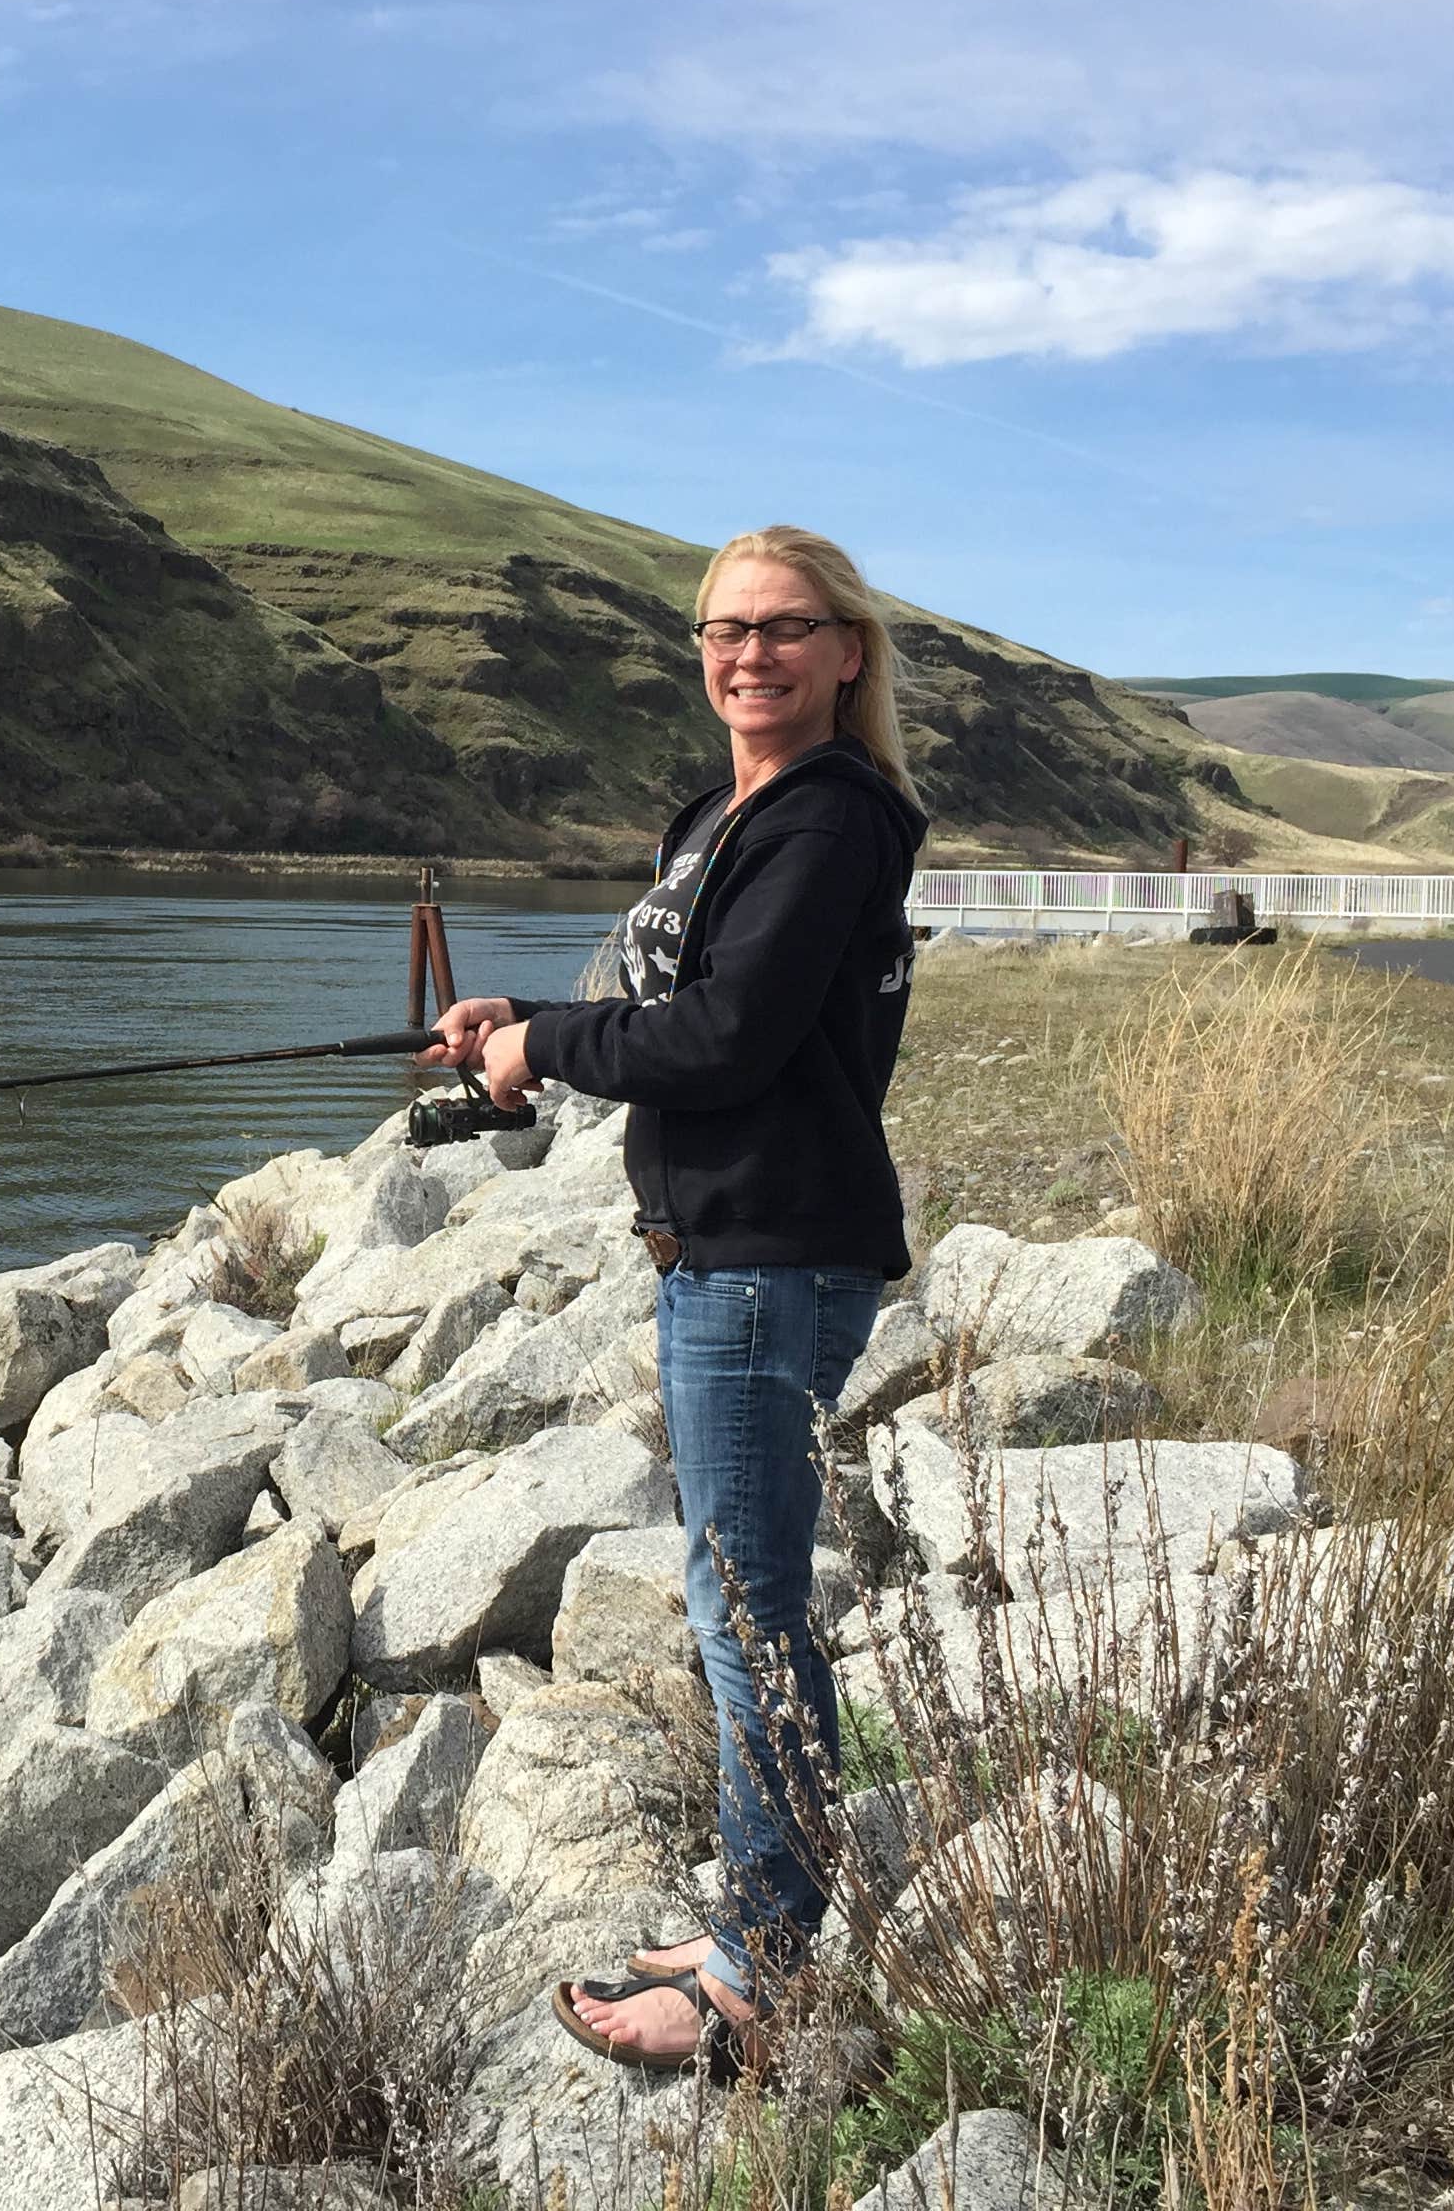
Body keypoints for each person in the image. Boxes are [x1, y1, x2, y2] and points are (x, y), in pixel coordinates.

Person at [422, 523, 927, 2076]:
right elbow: (667, 1005)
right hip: (718, 1244)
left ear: (849, 650)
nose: (747, 653)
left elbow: (726, 1046)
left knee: (750, 1610)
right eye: (723, 628)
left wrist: (546, 1058)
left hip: (770, 1252)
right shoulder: (723, 811)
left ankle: (760, 1969)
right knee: (738, 1598)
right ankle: (755, 1914)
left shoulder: (832, 821)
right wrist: (537, 1021)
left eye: (783, 627)